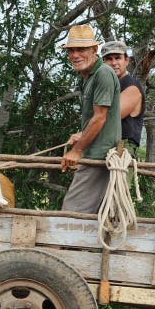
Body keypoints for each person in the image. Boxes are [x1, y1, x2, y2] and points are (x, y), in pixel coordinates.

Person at [59, 25, 121, 214]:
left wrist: (76, 151)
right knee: (89, 217)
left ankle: (67, 245)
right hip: (93, 152)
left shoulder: (103, 73)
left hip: (98, 155)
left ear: (94, 50)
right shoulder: (86, 76)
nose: (75, 55)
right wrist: (81, 136)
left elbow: (100, 118)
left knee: (70, 215)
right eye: (71, 50)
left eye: (81, 49)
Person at [101, 40, 146, 159]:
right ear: (103, 62)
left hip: (123, 147)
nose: (114, 62)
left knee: (118, 178)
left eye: (117, 58)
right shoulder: (106, 86)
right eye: (109, 59)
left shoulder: (132, 86)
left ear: (126, 60)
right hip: (102, 146)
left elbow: (109, 118)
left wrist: (83, 135)